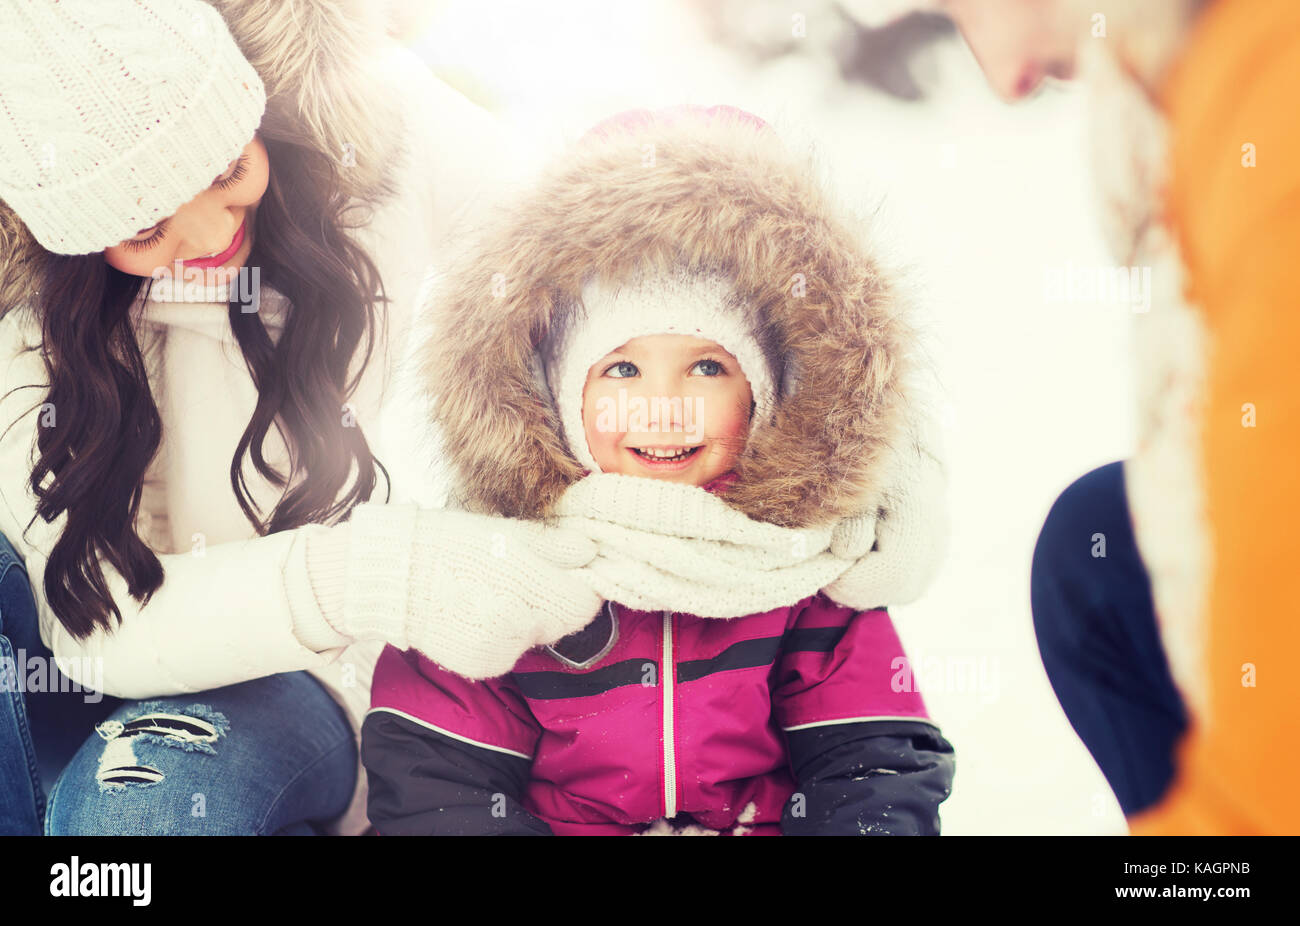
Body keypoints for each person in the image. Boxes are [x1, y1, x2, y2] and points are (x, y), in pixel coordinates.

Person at [0, 0, 605, 836]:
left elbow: (586, 263)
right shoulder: (27, 321)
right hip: (61, 674)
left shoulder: (370, 126)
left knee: (141, 815)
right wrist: (369, 573)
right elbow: (100, 626)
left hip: (285, 670)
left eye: (225, 171)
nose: (211, 233)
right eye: (145, 226)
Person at [361, 107, 956, 836]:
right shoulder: (504, 561)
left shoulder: (802, 568)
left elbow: (870, 763)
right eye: (623, 369)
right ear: (560, 396)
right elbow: (437, 781)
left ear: (767, 394)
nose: (663, 408)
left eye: (707, 367)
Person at [941, 0, 1300, 833]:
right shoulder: (1195, 85)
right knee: (1095, 545)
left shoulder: (1262, 87)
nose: (1009, 81)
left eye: (967, 13)